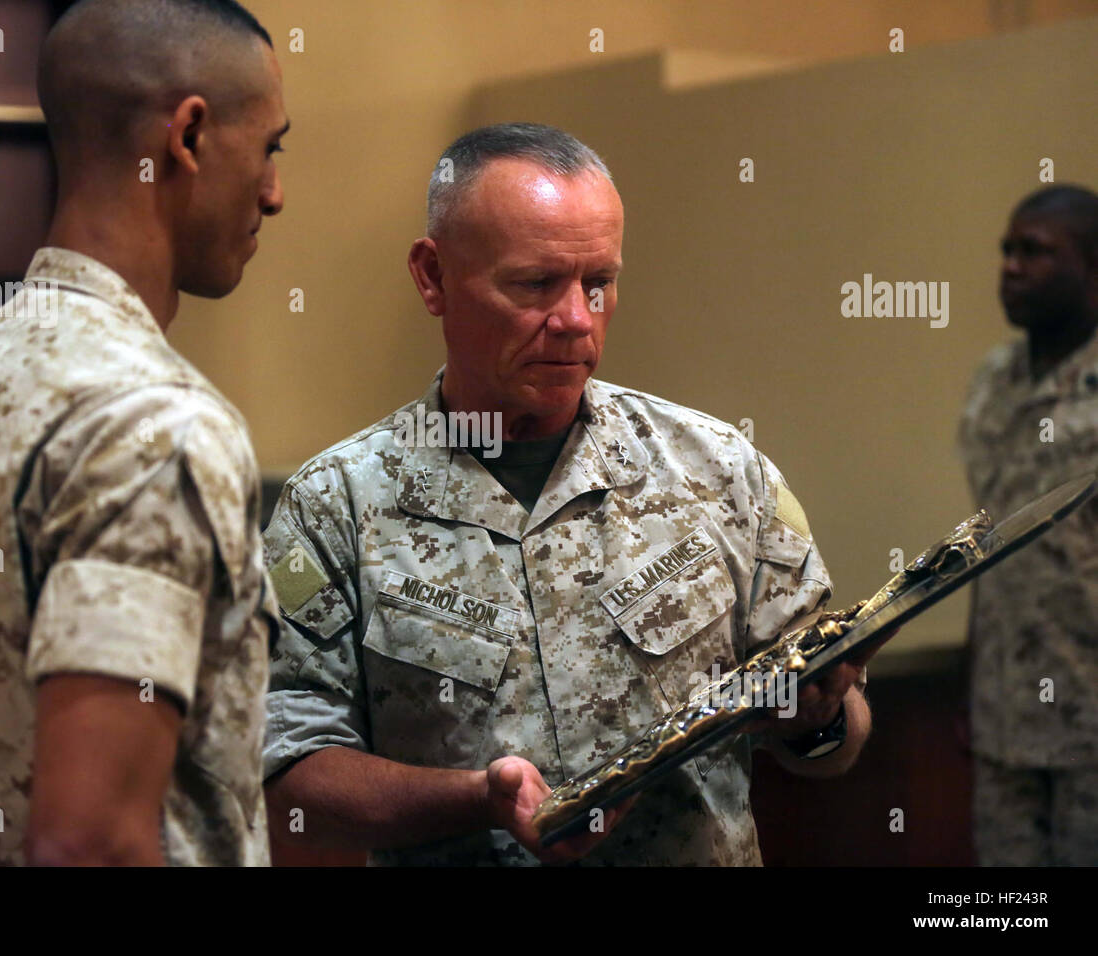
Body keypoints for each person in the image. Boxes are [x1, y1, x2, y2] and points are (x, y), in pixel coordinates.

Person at [261, 122, 873, 866]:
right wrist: (479, 801)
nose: (577, 320)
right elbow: (287, 771)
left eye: (599, 283)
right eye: (535, 284)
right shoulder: (335, 506)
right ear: (433, 277)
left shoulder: (716, 468)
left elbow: (836, 742)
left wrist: (814, 717)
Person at [0, 0, 289, 866]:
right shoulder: (158, 423)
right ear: (188, 137)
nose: (275, 190)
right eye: (270, 147)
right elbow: (90, 843)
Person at [958, 184, 1098, 866]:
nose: (1011, 267)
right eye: (1007, 250)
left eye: (1036, 252)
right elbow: (987, 547)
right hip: (1004, 718)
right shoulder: (993, 381)